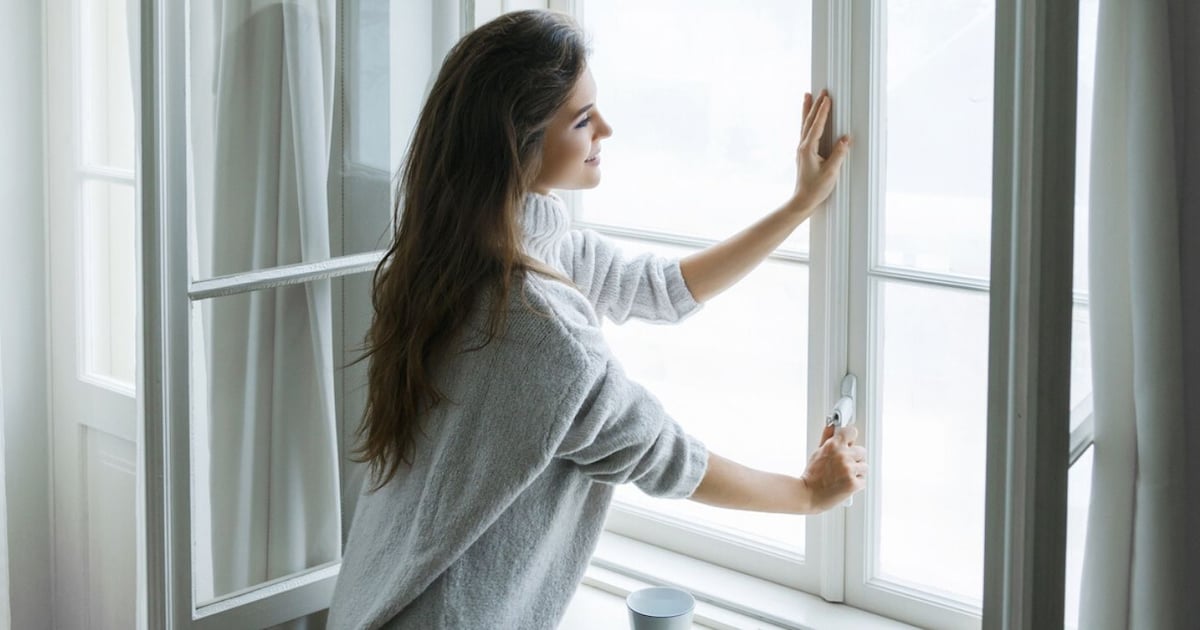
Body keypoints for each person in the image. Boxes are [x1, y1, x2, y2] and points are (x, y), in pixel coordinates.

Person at [327, 9, 864, 629]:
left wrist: (799, 206)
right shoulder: (540, 331)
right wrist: (807, 495)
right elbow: (663, 455)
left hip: (372, 604)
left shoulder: (452, 254)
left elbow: (662, 288)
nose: (605, 129)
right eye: (583, 120)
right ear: (518, 142)